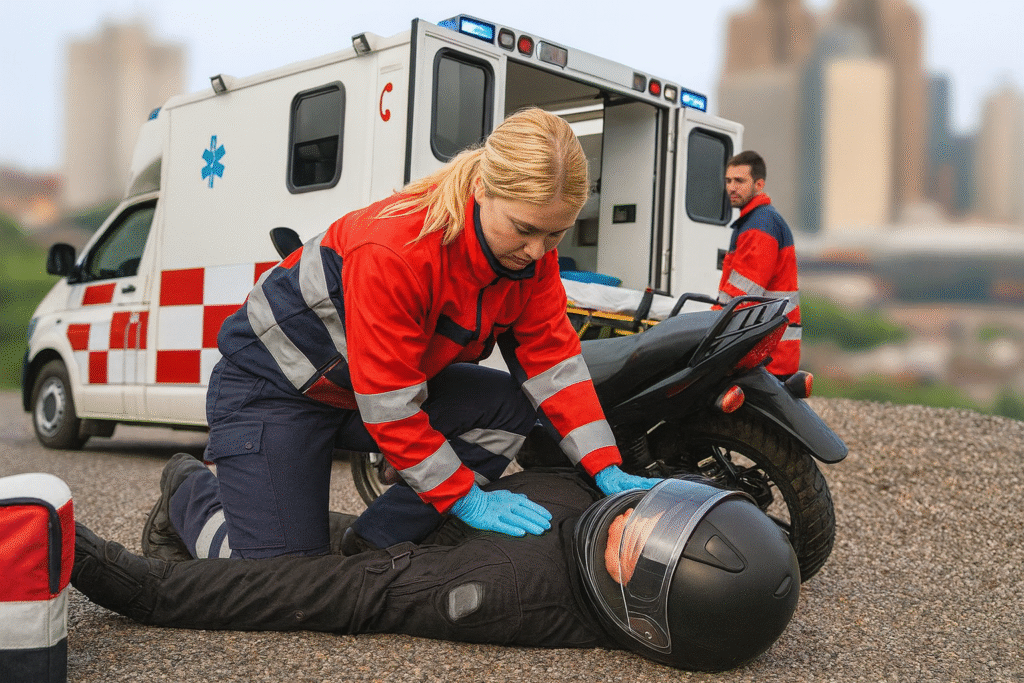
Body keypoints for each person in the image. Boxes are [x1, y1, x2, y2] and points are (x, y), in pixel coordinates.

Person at [144, 107, 658, 564]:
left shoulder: (533, 260)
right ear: (482, 189)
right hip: (273, 391)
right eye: (524, 229)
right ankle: (188, 494)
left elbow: (554, 364)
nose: (537, 251)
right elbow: (390, 404)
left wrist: (605, 466)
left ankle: (375, 541)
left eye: (556, 234)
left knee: (507, 407)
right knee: (277, 580)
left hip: (360, 390)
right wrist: (465, 497)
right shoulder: (397, 249)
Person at [74, 471, 801, 672]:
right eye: (662, 504)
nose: (631, 513)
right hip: (423, 514)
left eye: (637, 541)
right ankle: (188, 483)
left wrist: (126, 578)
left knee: (253, 554)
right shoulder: (608, 497)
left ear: (638, 601)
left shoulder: (500, 594)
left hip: (404, 553)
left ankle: (182, 489)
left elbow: (329, 590)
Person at [717, 151, 801, 378]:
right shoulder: (755, 221)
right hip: (766, 348)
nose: (732, 187)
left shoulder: (760, 225)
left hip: (766, 353)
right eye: (729, 181)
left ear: (759, 184)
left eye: (740, 181)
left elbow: (744, 295)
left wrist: (709, 325)